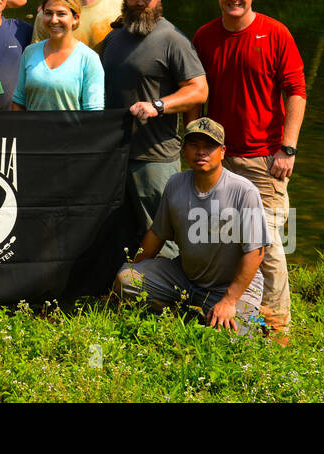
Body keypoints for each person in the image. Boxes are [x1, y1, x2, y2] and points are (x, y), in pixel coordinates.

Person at [192, 0, 306, 333]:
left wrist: (287, 149)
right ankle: (233, 310)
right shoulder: (205, 37)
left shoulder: (275, 33)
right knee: (221, 237)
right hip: (219, 159)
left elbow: (296, 92)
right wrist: (193, 143)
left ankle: (277, 325)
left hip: (264, 159)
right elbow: (197, 94)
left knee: (269, 244)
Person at [113, 118, 270, 335]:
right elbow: (157, 234)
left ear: (222, 151)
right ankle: (186, 316)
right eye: (194, 145)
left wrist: (229, 301)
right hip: (186, 278)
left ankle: (252, 316)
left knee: (235, 337)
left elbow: (256, 253)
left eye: (209, 146)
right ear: (184, 150)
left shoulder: (244, 191)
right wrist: (133, 268)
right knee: (126, 279)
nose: (201, 152)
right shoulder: (175, 184)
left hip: (230, 287)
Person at [99, 0, 209, 236]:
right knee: (118, 236)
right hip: (114, 156)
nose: (140, 2)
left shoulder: (173, 39)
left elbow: (198, 90)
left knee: (162, 236)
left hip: (155, 158)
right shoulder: (113, 37)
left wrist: (157, 106)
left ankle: (170, 280)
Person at [11, 0, 103, 111]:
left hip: (72, 131)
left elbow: (94, 114)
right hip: (32, 130)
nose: (54, 20)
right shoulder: (30, 52)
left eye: (61, 14)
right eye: (48, 13)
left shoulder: (89, 59)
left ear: (75, 18)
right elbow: (18, 103)